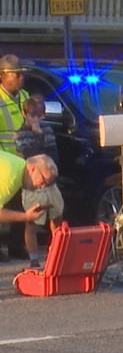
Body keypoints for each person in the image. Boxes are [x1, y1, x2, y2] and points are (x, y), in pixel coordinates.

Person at [15, 96, 62, 267]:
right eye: (33, 115)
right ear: (24, 114)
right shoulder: (21, 134)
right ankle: (34, 259)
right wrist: (36, 136)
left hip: (51, 184)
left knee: (56, 218)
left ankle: (56, 254)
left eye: (40, 115)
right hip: (33, 186)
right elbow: (28, 154)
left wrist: (41, 136)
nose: (37, 119)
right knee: (32, 222)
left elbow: (54, 154)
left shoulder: (48, 131)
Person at [0, 54, 30, 261]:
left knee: (21, 207)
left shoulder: (25, 96)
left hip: (25, 163)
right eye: (16, 74)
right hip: (4, 164)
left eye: (22, 74)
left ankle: (16, 247)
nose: (21, 78)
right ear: (3, 75)